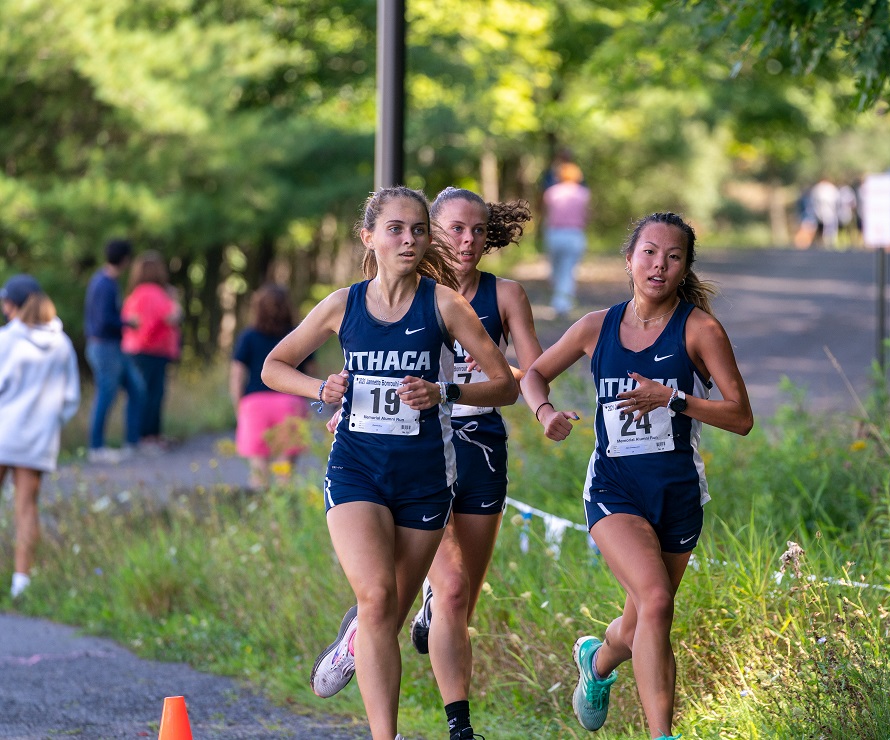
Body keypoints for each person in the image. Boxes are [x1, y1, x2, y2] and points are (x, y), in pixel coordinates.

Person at [261, 186, 518, 740]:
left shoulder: (445, 305)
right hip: (356, 468)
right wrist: (321, 388)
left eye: (418, 229)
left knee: (394, 603)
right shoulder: (342, 305)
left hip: (425, 478)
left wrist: (444, 392)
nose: (408, 239)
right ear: (369, 238)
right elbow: (273, 366)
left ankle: (357, 652)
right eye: (395, 229)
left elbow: (504, 385)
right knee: (376, 598)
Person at [520, 212, 754, 740]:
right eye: (648, 253)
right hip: (614, 487)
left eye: (673, 257)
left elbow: (741, 417)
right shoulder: (594, 327)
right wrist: (545, 412)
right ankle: (661, 735)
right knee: (656, 601)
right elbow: (533, 373)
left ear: (685, 267)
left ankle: (597, 661)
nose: (659, 265)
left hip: (677, 494)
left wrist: (673, 398)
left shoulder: (699, 329)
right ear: (628, 260)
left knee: (641, 621)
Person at [0, 275, 81, 598]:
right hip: (38, 439)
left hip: (3, 431)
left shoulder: (7, 339)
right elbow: (71, 398)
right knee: (26, 509)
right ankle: (21, 582)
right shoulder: (62, 344)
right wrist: (49, 423)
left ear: (15, 305)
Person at [230, 284, 315, 490]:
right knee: (285, 473)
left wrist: (239, 407)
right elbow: (310, 374)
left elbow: (237, 376)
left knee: (258, 473)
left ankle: (261, 506)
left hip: (255, 404)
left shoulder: (248, 337)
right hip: (290, 403)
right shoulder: (298, 336)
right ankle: (282, 507)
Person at [84, 238, 144, 463]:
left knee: (136, 388)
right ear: (125, 260)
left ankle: (132, 442)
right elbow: (103, 321)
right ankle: (96, 447)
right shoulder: (105, 284)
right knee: (106, 395)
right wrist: (128, 322)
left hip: (111, 346)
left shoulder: (104, 281)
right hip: (104, 346)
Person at [122, 251, 182, 452]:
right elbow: (173, 317)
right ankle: (150, 436)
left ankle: (137, 436)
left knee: (139, 393)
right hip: (155, 351)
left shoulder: (134, 295)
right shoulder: (158, 294)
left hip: (134, 350)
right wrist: (174, 299)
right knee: (154, 395)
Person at [542, 162, 590, 319]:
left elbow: (546, 214)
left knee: (556, 269)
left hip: (555, 233)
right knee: (568, 270)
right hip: (574, 234)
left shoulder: (551, 192)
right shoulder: (583, 193)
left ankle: (559, 302)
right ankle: (563, 303)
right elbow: (586, 215)